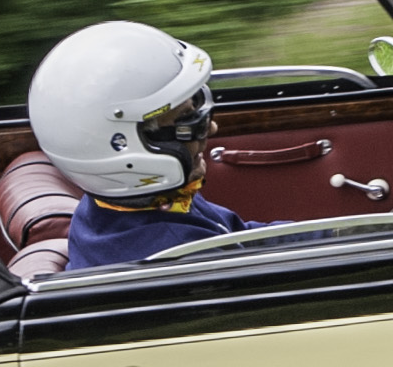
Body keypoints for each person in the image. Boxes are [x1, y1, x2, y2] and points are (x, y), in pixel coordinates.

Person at [29, 20, 269, 272]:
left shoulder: (114, 210)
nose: (211, 129)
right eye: (187, 124)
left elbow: (241, 235)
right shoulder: (183, 257)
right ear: (126, 149)